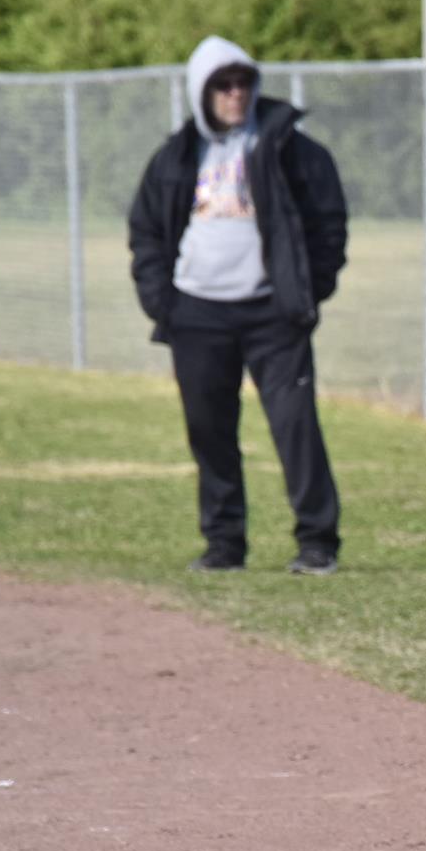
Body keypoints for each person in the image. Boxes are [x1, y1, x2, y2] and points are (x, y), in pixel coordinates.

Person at [128, 35, 349, 575]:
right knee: (209, 430)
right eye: (222, 85)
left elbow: (328, 221)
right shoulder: (178, 155)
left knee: (295, 425)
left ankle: (317, 542)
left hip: (272, 313)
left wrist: (305, 290)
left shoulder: (288, 148)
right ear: (201, 92)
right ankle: (224, 545)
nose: (235, 94)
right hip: (198, 314)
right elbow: (147, 231)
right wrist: (165, 303)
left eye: (243, 82)